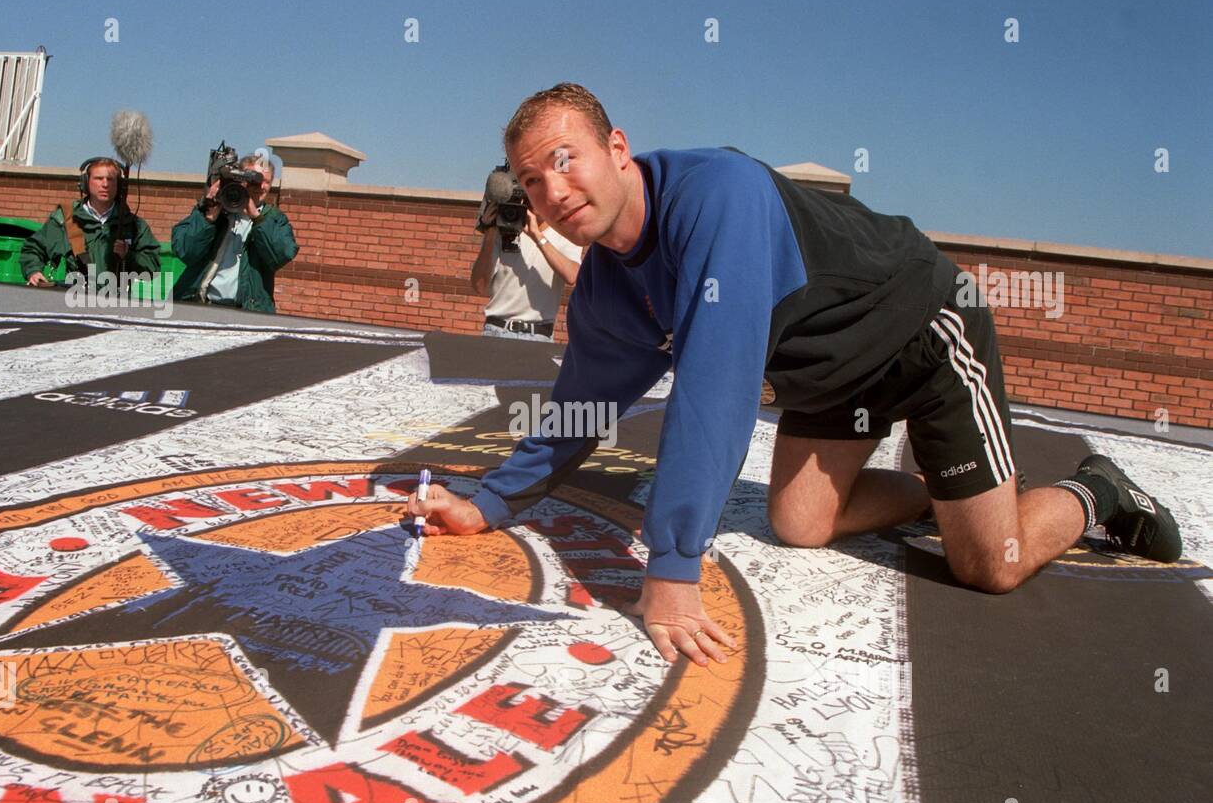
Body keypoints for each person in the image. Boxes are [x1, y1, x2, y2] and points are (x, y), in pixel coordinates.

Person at [406, 83, 1183, 667]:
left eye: (564, 160)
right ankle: (947, 499)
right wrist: (491, 500)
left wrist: (674, 566)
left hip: (922, 332)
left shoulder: (720, 197)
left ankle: (1097, 490)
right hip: (833, 381)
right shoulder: (610, 281)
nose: (552, 189)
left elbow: (716, 389)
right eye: (531, 180)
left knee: (989, 564)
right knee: (800, 523)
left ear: (617, 148)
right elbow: (581, 405)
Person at [172, 154, 299, 313]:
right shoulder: (215, 211)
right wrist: (208, 218)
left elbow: (280, 255)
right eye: (253, 180)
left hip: (248, 312)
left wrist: (257, 218)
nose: (259, 186)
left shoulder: (273, 219)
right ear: (239, 178)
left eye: (265, 181)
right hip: (201, 306)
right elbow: (185, 251)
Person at [21, 157, 160, 288]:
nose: (105, 184)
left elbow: (153, 268)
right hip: (75, 300)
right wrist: (34, 271)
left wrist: (129, 255)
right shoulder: (67, 219)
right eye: (99, 178)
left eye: (110, 179)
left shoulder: (133, 225)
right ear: (86, 182)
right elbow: (33, 248)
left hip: (116, 303)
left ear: (119, 185)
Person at [471, 201, 582, 341]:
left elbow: (572, 276)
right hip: (497, 331)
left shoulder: (566, 233)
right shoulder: (504, 229)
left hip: (540, 334)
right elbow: (479, 286)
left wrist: (537, 236)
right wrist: (490, 232)